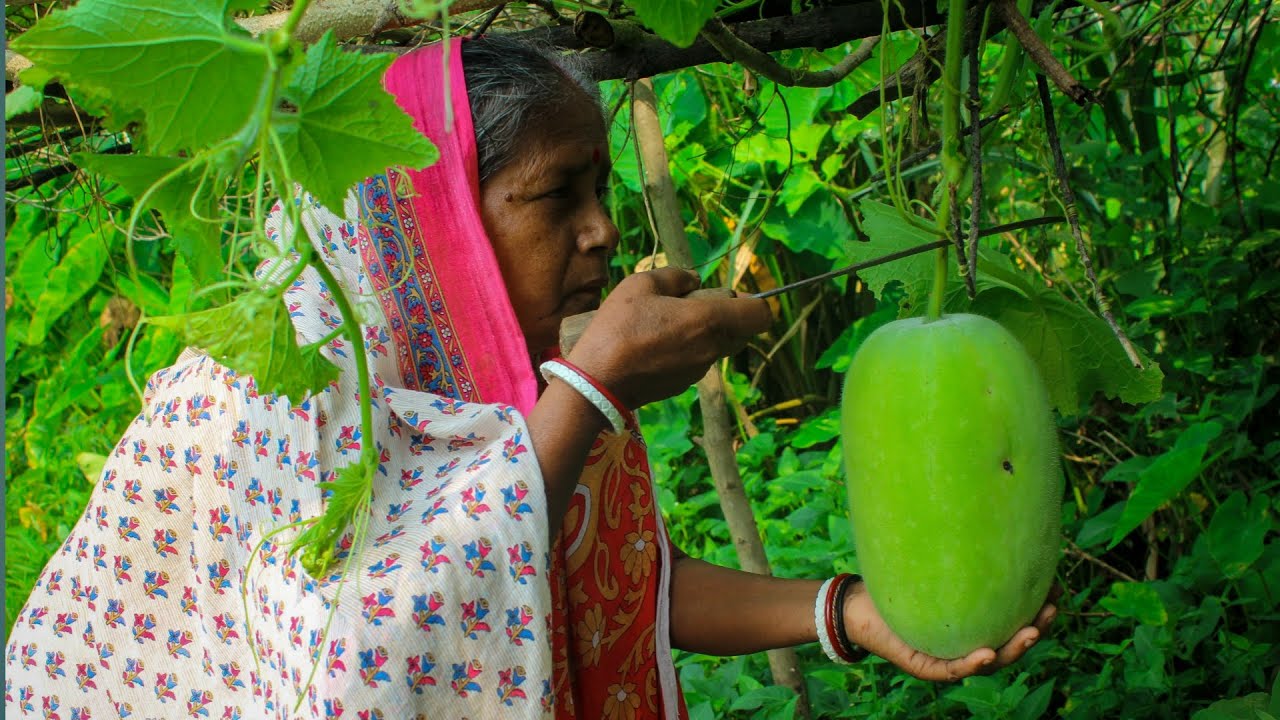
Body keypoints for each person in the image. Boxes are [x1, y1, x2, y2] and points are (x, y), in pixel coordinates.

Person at [3, 34, 1054, 719]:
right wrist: (591, 389)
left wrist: (849, 612)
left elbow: (598, 586)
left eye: (601, 191)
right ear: (438, 214)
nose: (602, 233)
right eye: (558, 196)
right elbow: (374, 671)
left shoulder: (526, 375)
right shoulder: (269, 390)